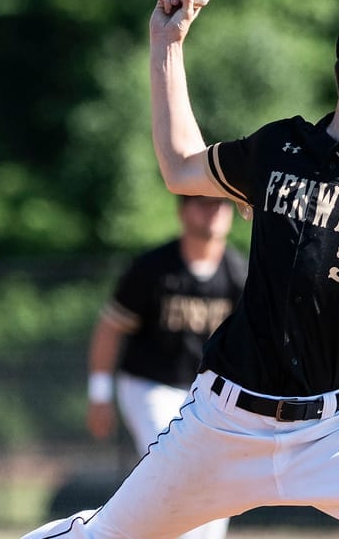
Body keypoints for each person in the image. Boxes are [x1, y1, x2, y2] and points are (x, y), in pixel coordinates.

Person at [22, 0, 339, 539]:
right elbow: (182, 165)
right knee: (105, 537)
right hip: (224, 424)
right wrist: (168, 44)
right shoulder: (282, 147)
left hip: (336, 434)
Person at [85, 193, 247, 539]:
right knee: (177, 459)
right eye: (203, 202)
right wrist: (99, 394)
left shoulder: (239, 273)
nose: (214, 211)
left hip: (206, 394)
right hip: (149, 385)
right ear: (182, 211)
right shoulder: (153, 268)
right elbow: (110, 328)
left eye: (220, 203)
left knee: (216, 470)